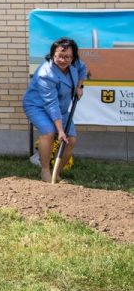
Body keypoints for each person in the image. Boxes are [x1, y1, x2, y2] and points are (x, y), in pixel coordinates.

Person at [23, 38, 87, 183]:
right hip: (38, 106)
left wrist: (79, 86)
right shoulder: (46, 74)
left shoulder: (75, 63)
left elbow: (83, 69)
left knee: (71, 140)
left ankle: (56, 174)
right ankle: (45, 170)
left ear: (73, 57)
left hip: (62, 108)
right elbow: (51, 104)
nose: (63, 60)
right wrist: (60, 130)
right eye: (59, 56)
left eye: (67, 57)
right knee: (49, 133)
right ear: (52, 55)